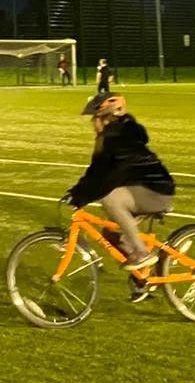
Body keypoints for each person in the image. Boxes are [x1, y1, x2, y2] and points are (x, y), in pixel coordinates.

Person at [64, 93, 176, 300]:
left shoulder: (122, 139)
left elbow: (113, 175)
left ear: (108, 117)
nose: (93, 123)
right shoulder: (108, 139)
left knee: (111, 199)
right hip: (138, 190)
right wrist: (77, 192)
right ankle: (143, 279)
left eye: (96, 118)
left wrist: (85, 196)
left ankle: (142, 253)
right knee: (111, 234)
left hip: (155, 190)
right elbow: (96, 171)